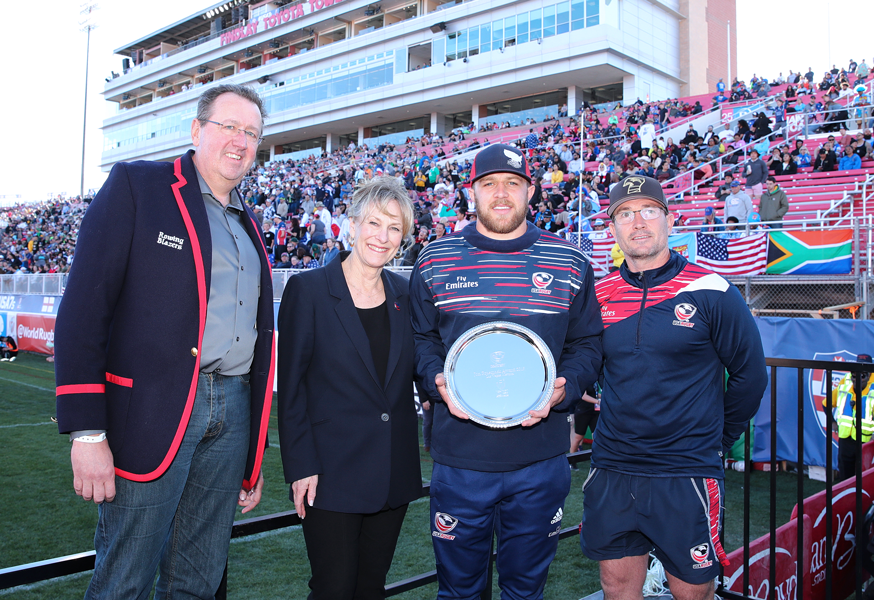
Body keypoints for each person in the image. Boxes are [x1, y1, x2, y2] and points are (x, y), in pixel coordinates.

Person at [54, 84, 276, 599]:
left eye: (252, 133)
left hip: (234, 408)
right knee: (124, 579)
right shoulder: (139, 185)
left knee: (198, 581)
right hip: (155, 409)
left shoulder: (249, 221)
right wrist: (87, 433)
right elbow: (85, 309)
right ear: (197, 130)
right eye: (229, 126)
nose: (241, 141)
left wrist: (254, 454)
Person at [410, 143, 603, 599]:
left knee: (525, 591)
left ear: (531, 191)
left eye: (513, 183)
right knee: (458, 592)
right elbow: (421, 339)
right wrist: (438, 380)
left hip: (539, 460)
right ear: (471, 192)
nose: (501, 193)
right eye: (489, 183)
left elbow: (588, 344)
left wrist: (565, 387)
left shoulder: (569, 261)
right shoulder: (435, 259)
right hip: (460, 462)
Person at [581, 175, 767, 600]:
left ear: (668, 219)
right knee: (616, 587)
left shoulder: (712, 289)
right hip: (613, 466)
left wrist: (716, 438)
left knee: (692, 592)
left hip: (685, 469)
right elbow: (587, 368)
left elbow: (750, 376)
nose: (638, 222)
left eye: (648, 210)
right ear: (613, 228)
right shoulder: (599, 293)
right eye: (625, 214)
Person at [278, 176, 422, 599]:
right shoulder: (309, 290)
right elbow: (291, 389)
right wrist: (300, 465)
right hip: (330, 473)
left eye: (394, 228)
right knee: (333, 588)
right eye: (374, 223)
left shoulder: (405, 293)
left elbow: (421, 368)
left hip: (392, 472)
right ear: (352, 224)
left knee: (370, 589)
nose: (383, 237)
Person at [828, 354, 874, 481]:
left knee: (865, 477)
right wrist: (832, 421)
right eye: (858, 364)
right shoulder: (847, 380)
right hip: (845, 437)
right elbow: (827, 403)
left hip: (866, 439)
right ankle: (846, 498)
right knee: (845, 477)